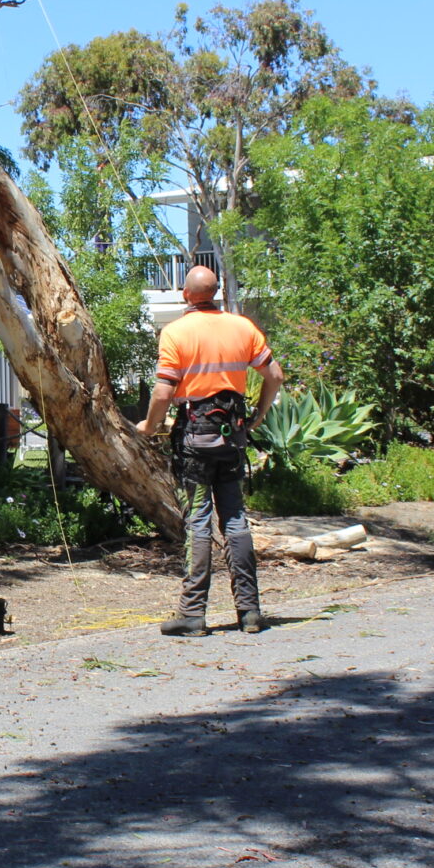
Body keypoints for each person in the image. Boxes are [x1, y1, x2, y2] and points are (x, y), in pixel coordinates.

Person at [139, 266, 285, 636]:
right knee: (235, 519)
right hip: (232, 437)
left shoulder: (175, 333)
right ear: (216, 292)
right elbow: (275, 376)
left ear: (187, 296)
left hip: (195, 442)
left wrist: (150, 426)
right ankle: (249, 612)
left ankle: (192, 614)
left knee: (198, 521)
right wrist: (257, 416)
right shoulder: (243, 328)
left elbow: (163, 392)